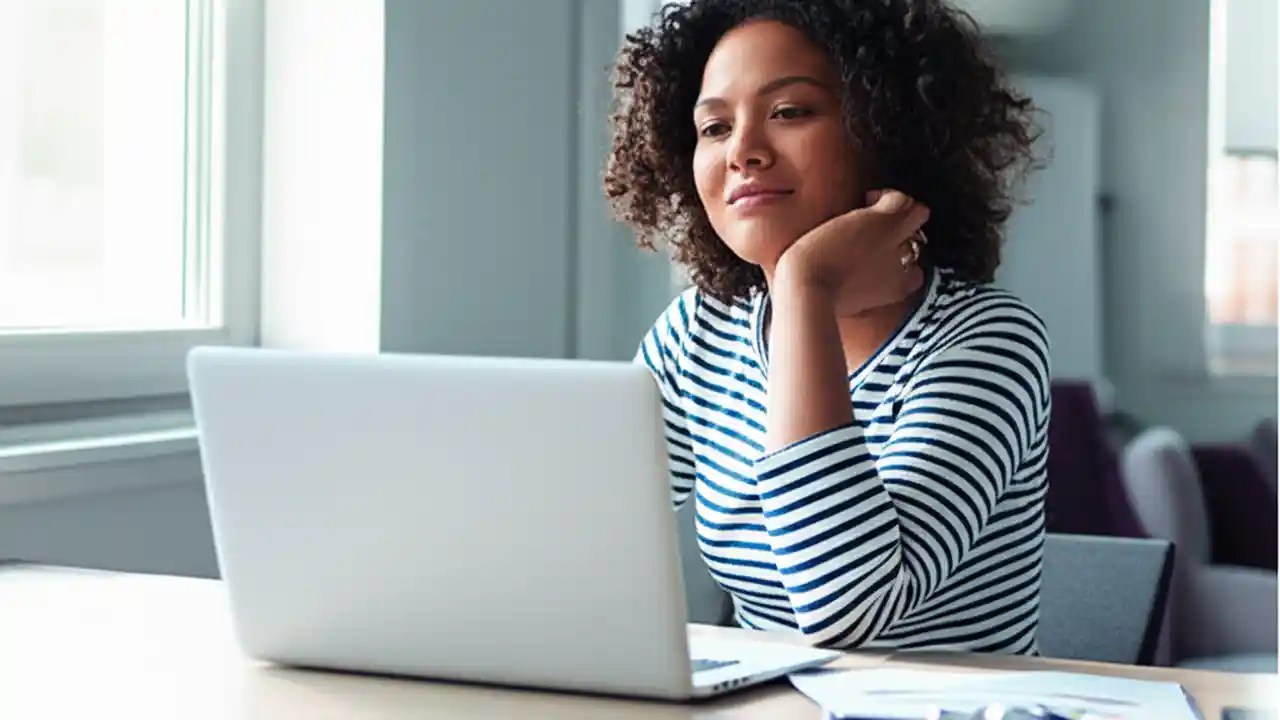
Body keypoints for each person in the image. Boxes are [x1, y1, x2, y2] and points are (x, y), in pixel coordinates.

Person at [605, 0, 1051, 654]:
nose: (743, 152)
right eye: (714, 127)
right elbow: (586, 532)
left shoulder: (988, 341)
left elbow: (849, 606)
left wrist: (806, 285)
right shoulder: (701, 330)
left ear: (886, 129)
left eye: (790, 113)